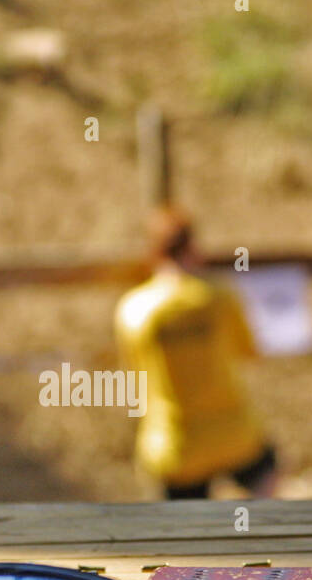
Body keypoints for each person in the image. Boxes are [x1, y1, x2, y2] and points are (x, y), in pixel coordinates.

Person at [115, 207, 277, 500]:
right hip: (234, 435)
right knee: (268, 476)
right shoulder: (219, 295)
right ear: (193, 246)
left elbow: (134, 371)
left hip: (173, 445)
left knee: (185, 531)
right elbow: (251, 351)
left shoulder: (133, 309)